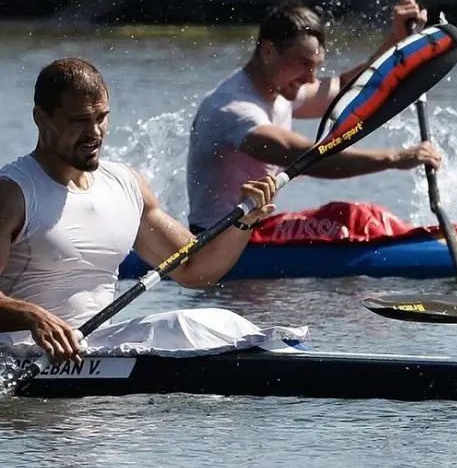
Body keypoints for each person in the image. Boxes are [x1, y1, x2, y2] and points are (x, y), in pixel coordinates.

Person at [0, 58, 278, 364]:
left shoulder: (127, 185)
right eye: (79, 120)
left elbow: (194, 269)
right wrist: (31, 316)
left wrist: (244, 223)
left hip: (95, 348)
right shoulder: (14, 193)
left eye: (102, 117)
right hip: (20, 351)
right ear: (42, 118)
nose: (95, 132)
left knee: (211, 321)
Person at [186, 0, 443, 233]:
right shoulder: (235, 110)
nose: (311, 78)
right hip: (218, 238)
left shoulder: (278, 86)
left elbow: (347, 89)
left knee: (357, 221)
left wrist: (397, 42)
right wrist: (395, 158)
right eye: (304, 64)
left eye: (316, 67)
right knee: (358, 220)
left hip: (252, 229)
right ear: (267, 51)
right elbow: (309, 158)